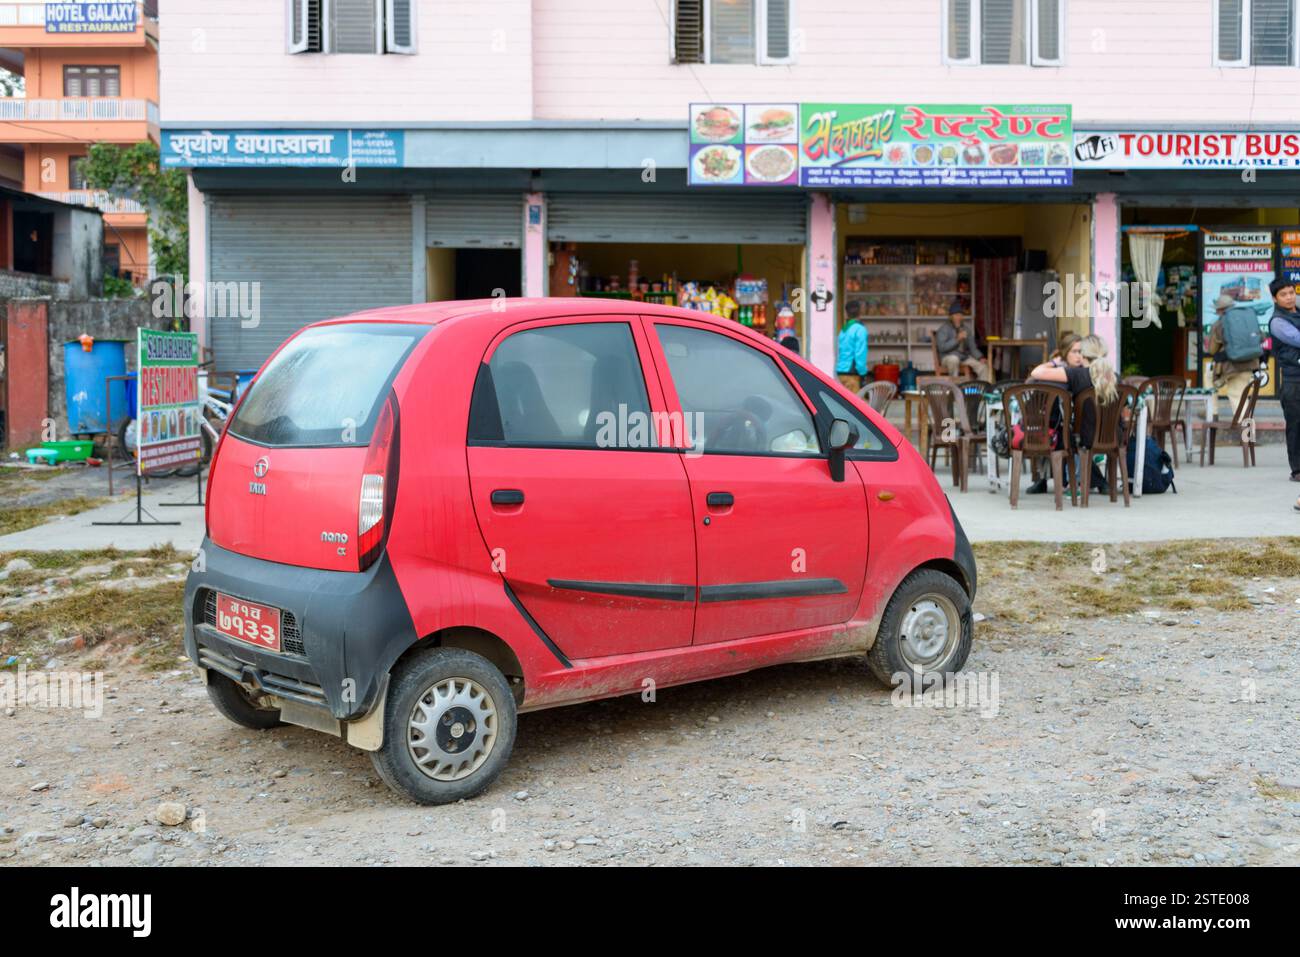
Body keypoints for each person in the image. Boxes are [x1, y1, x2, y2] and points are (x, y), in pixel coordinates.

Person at [1025, 335, 1118, 493]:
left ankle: (1071, 480)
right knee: (1059, 427)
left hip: (1083, 435)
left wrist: (1054, 362)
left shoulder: (1075, 375)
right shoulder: (1114, 377)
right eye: (1074, 351)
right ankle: (1094, 481)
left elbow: (1036, 373)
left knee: (1063, 434)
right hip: (1114, 435)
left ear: (1084, 354)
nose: (1077, 355)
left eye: (1079, 351)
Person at [1207, 293, 1264, 414]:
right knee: (1240, 394)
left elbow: (1212, 350)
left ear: (1220, 310)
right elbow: (1261, 337)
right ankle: (1245, 427)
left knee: (1235, 395)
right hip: (1251, 363)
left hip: (1231, 366)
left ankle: (1213, 413)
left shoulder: (1219, 324)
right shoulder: (1248, 318)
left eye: (1217, 310)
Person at [1267, 277, 1300, 482]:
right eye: (1283, 295)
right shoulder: (1278, 322)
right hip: (1293, 381)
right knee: (1296, 425)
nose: (1289, 297)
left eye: (1291, 292)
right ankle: (1297, 469)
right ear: (1274, 299)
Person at [934, 303, 990, 381]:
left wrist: (980, 357)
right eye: (956, 315)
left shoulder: (966, 329)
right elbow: (942, 348)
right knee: (954, 359)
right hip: (948, 357)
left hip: (964, 357)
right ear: (951, 317)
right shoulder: (944, 329)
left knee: (983, 366)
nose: (959, 317)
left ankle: (982, 390)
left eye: (961, 315)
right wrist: (957, 339)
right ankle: (955, 388)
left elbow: (972, 348)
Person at [836, 301, 868, 393]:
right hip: (852, 373)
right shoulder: (860, 329)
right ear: (860, 311)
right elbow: (860, 354)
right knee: (854, 405)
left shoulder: (844, 329)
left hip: (841, 371)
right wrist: (863, 373)